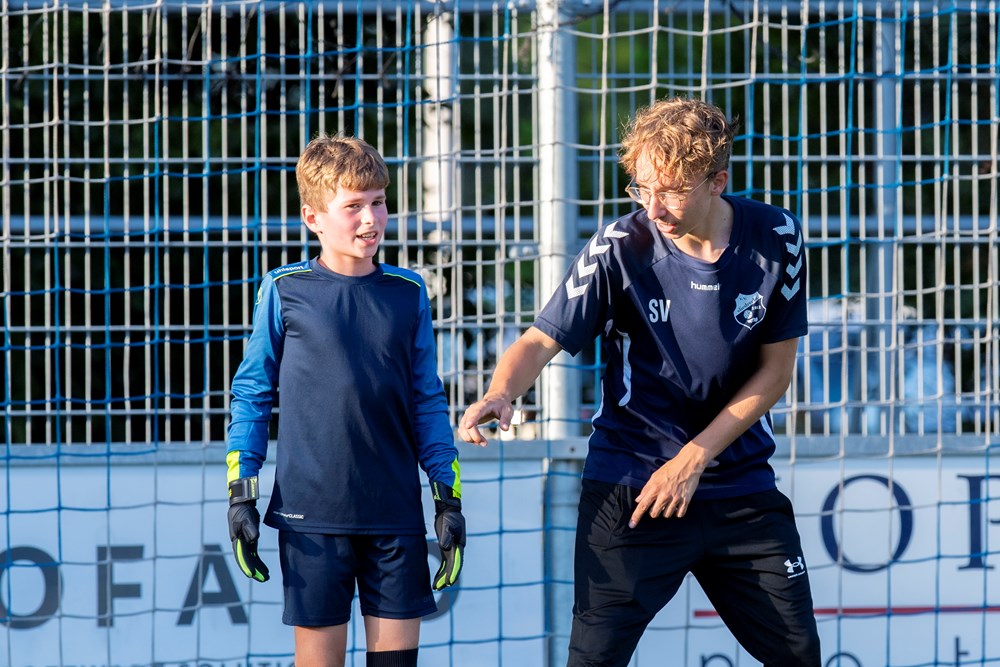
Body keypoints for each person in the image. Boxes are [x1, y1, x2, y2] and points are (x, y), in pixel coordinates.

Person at [459, 97, 820, 666]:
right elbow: (538, 340)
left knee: (799, 657)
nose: (652, 207)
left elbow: (775, 373)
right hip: (631, 485)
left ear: (716, 182)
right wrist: (500, 392)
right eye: (641, 188)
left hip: (738, 487)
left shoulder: (778, 236)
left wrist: (692, 459)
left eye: (670, 191)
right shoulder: (618, 247)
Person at [226, 134, 466, 667]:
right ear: (312, 217)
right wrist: (242, 494)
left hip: (396, 515)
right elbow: (252, 394)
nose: (371, 219)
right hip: (310, 518)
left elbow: (427, 400)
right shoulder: (284, 289)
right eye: (353, 206)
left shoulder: (408, 292)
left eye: (378, 202)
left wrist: (447, 500)